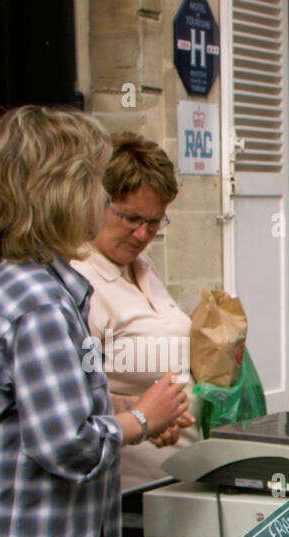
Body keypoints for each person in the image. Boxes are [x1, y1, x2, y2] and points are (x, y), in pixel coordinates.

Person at [0, 106, 190, 537]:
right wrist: (141, 418)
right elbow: (63, 443)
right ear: (61, 194)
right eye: (96, 187)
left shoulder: (38, 284)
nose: (103, 201)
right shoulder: (37, 299)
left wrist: (126, 408)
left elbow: (42, 409)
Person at [72, 134, 198, 492]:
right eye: (131, 218)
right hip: (126, 487)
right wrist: (143, 418)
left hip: (175, 475)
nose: (143, 233)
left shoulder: (141, 265)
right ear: (98, 203)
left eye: (155, 223)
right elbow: (74, 408)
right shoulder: (80, 283)